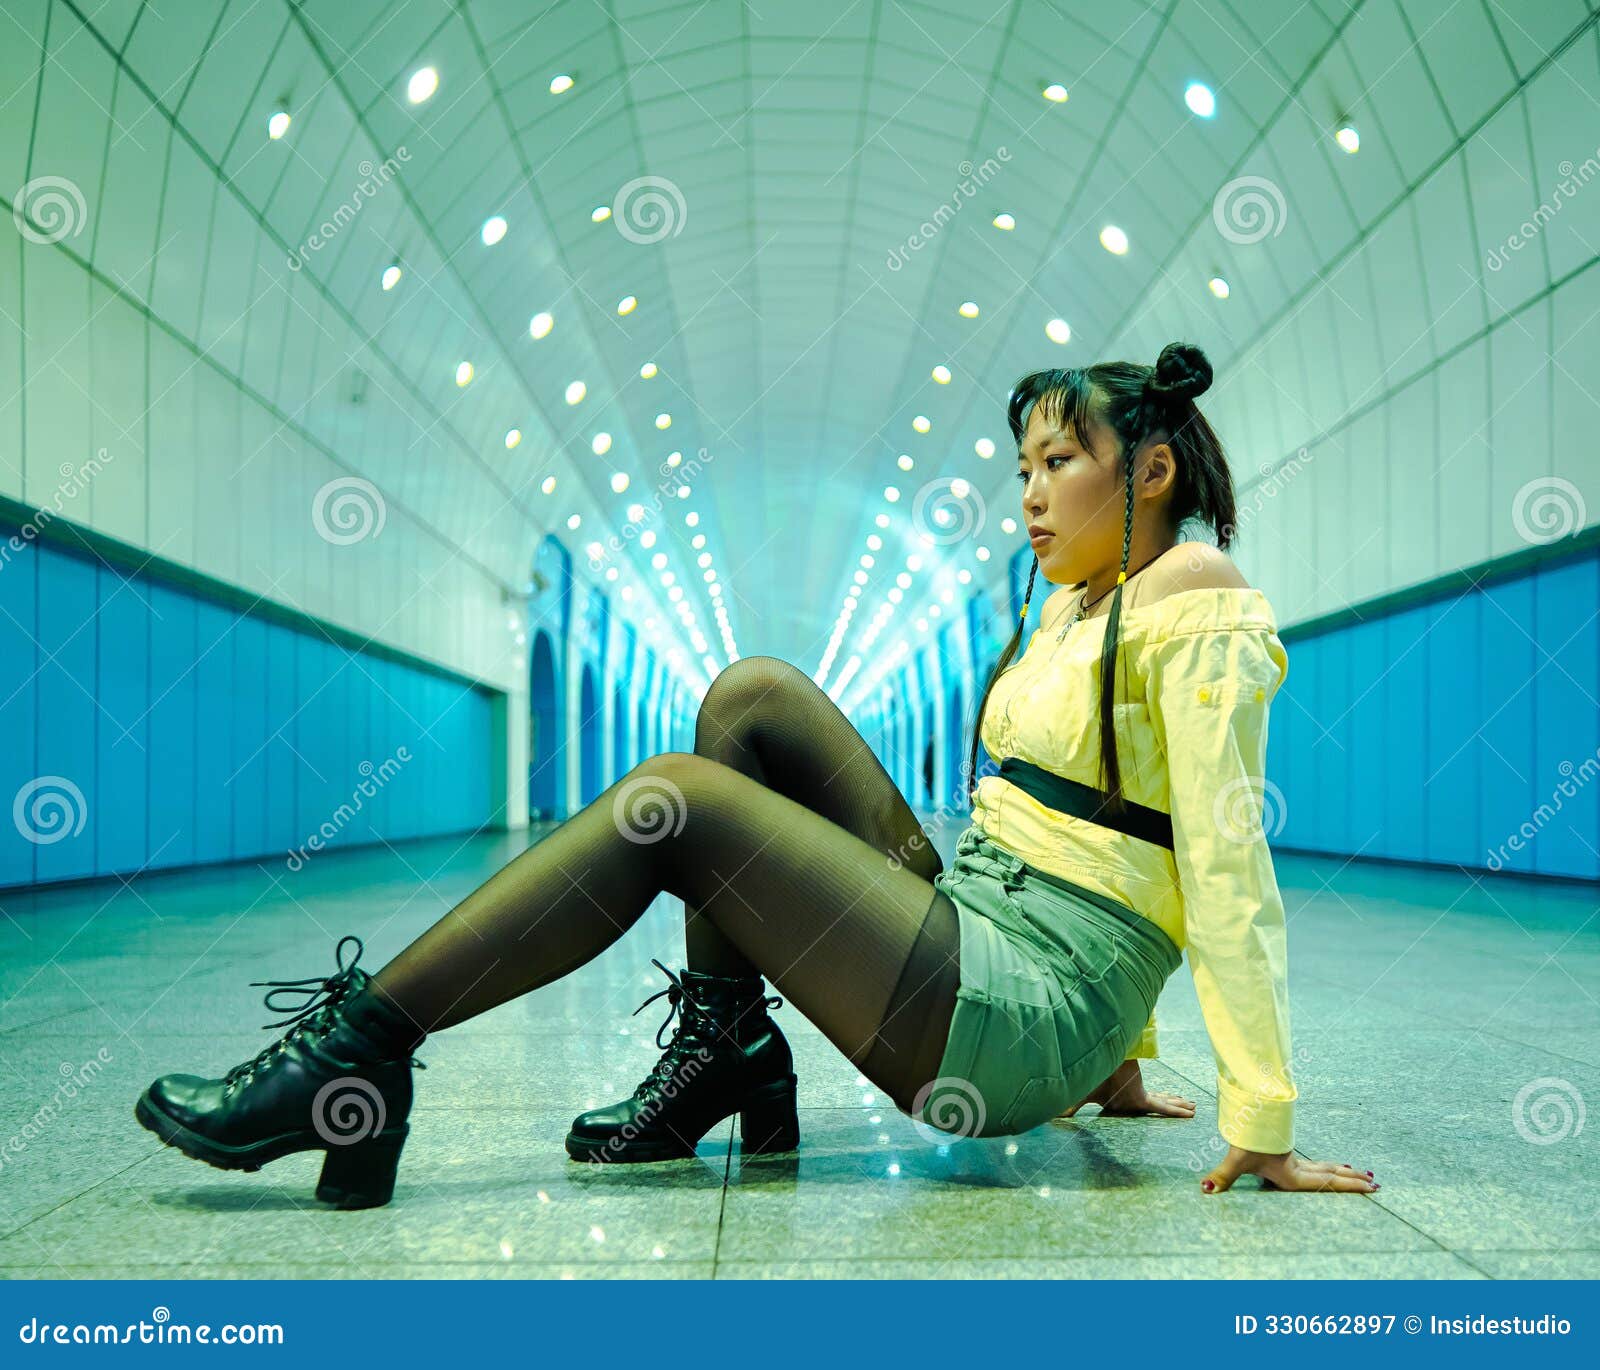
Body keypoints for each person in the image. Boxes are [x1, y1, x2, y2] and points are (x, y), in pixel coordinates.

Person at [134, 341, 1379, 1208]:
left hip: (1014, 1012)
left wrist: (1254, 1113)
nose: (1030, 496)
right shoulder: (1066, 603)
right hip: (990, 929)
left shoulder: (1195, 599)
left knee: (676, 801)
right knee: (750, 695)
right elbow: (1108, 818)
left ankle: (357, 1052)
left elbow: (1214, 855)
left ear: (1150, 471)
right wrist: (1123, 1062)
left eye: (1060, 463)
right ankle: (725, 1049)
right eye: (1022, 469)